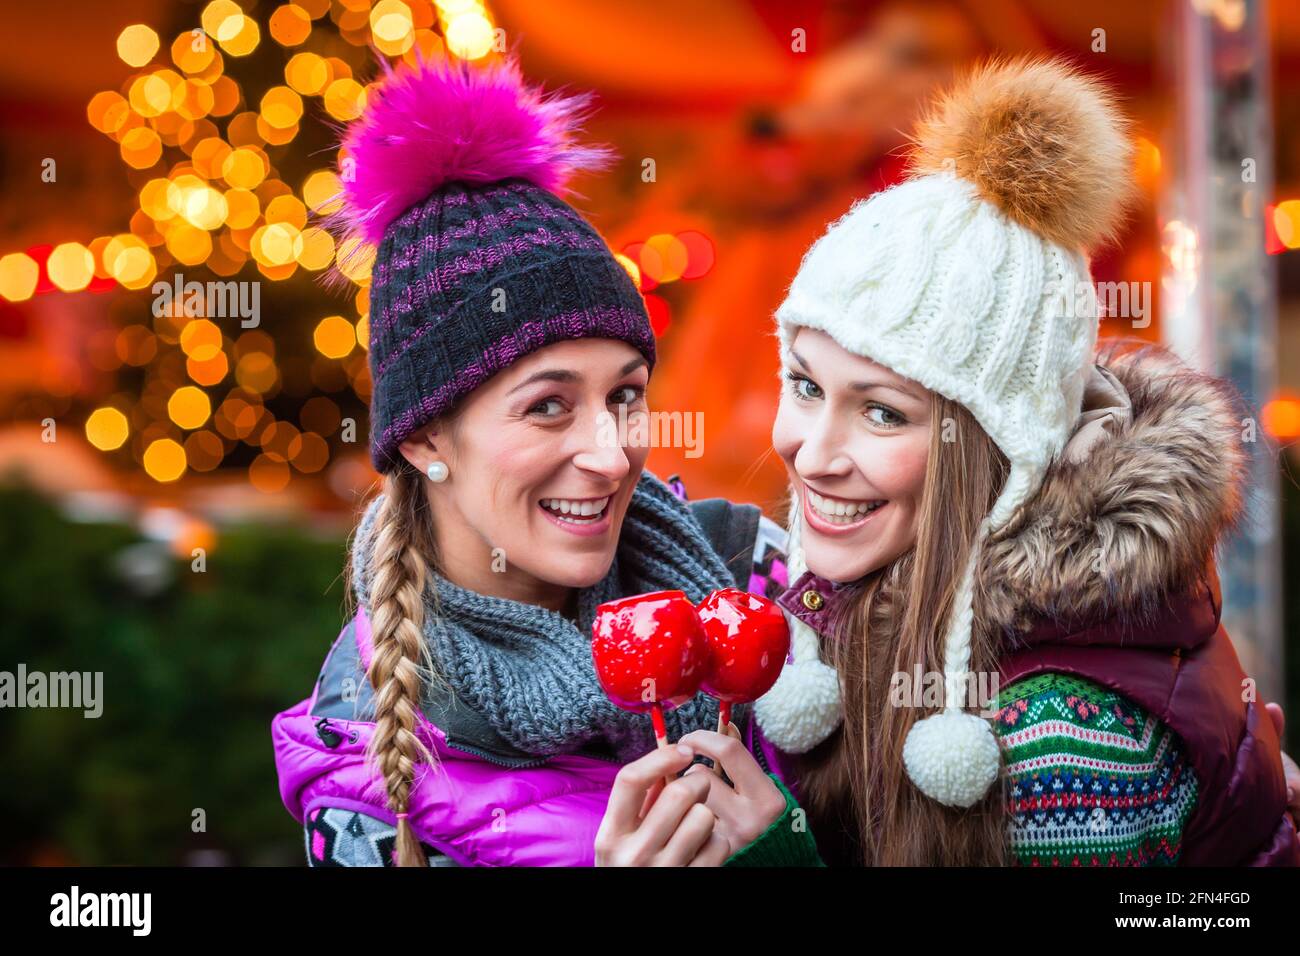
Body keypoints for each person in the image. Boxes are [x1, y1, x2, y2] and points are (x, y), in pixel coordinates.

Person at [269, 55, 820, 867]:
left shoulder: (752, 576)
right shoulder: (367, 779)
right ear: (424, 439)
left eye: (625, 395)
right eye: (547, 405)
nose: (609, 453)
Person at [748, 56, 1300, 865]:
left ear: (998, 448)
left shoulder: (1066, 744)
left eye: (880, 412)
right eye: (804, 384)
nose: (810, 450)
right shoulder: (885, 584)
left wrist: (766, 858)